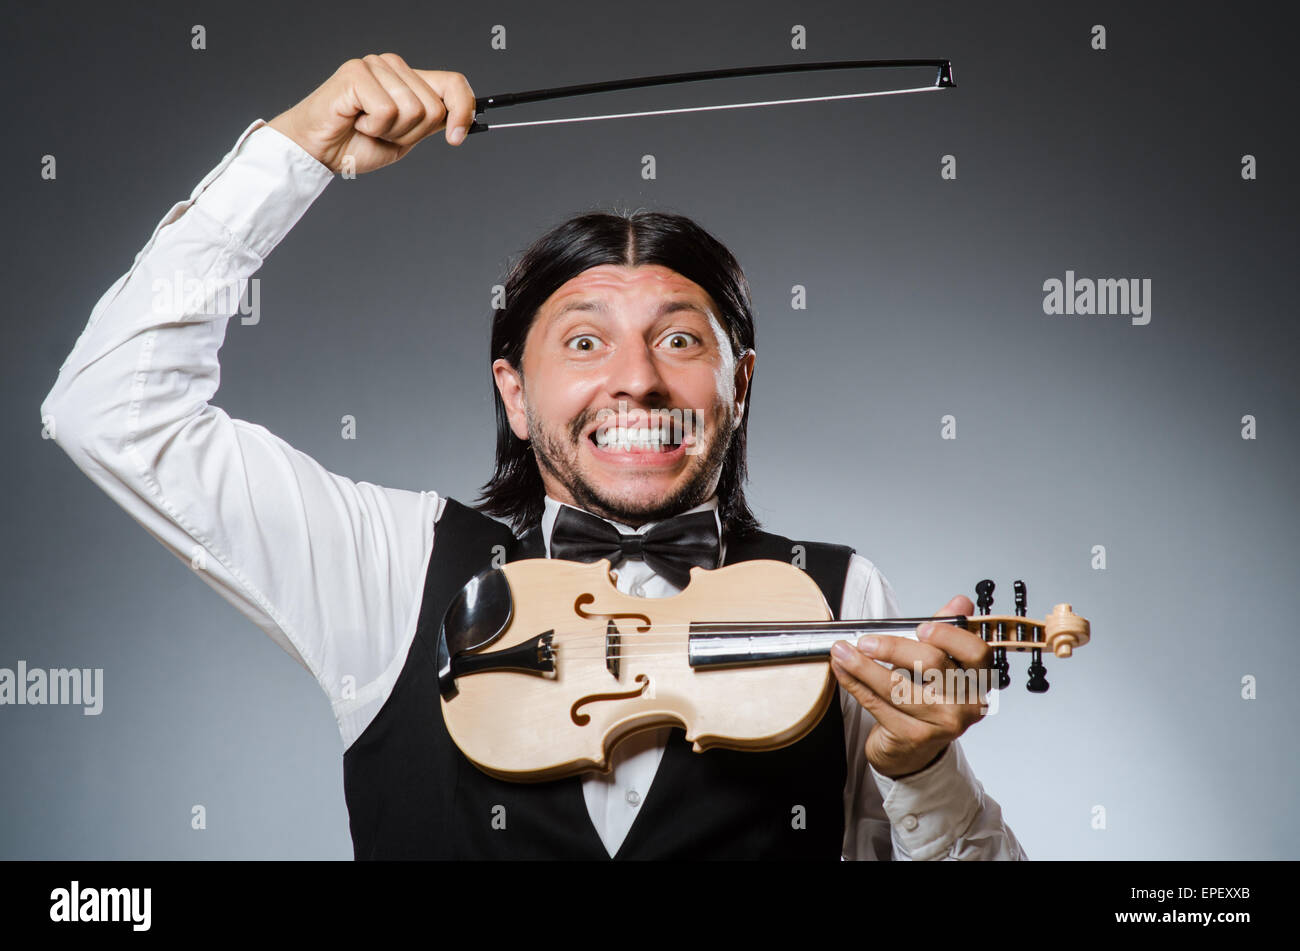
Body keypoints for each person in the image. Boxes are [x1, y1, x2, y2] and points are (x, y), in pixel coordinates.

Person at [41, 53, 1026, 860]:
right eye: (585, 341)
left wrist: (921, 772)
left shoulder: (837, 596)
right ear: (515, 393)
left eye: (681, 340)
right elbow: (109, 413)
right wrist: (294, 153)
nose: (635, 379)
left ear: (742, 386)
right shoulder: (390, 567)